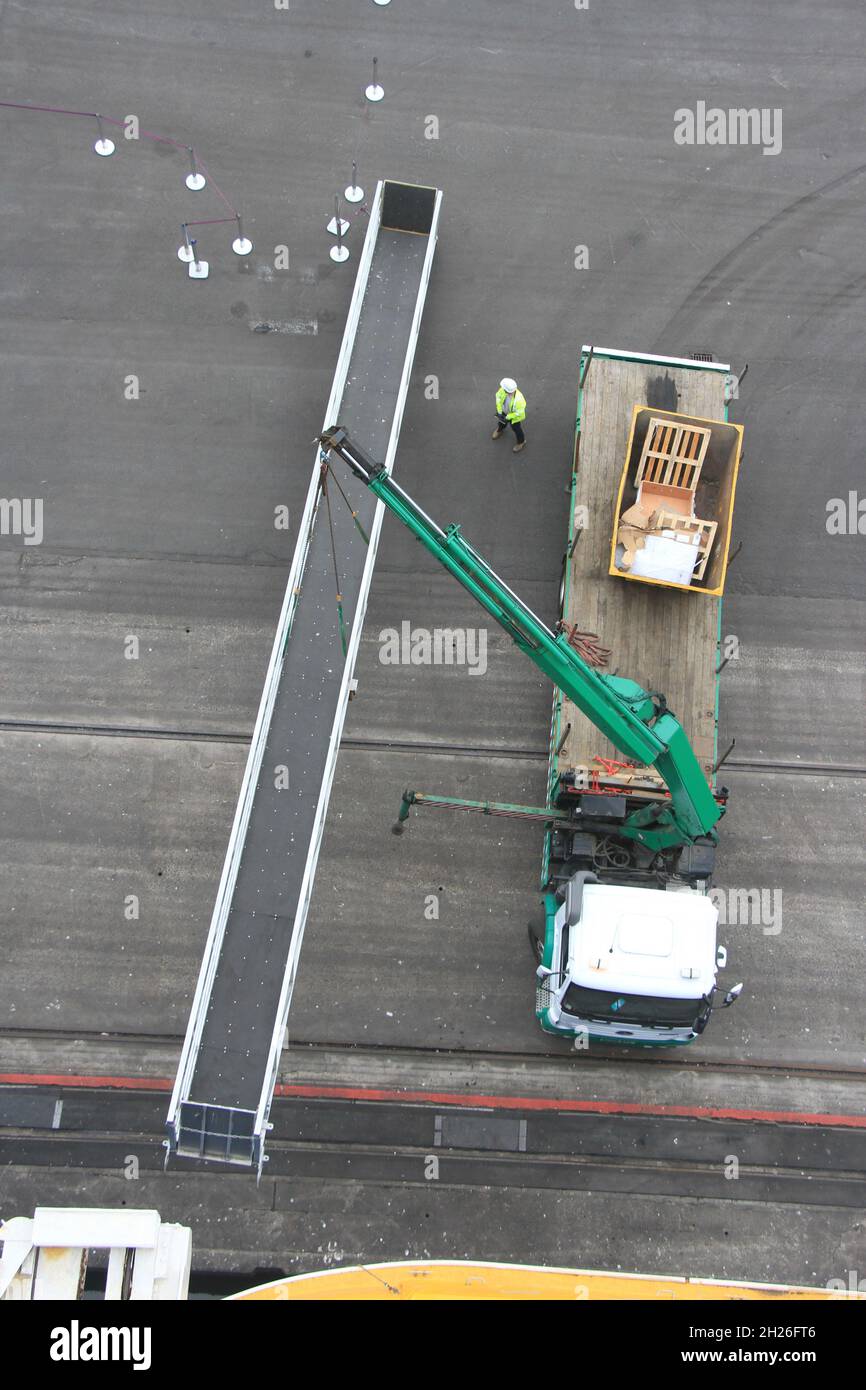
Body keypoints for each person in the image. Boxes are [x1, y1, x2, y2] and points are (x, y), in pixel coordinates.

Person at [492, 377, 527, 453]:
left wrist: (508, 417)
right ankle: (500, 430)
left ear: (508, 391)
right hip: (504, 412)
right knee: (501, 422)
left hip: (515, 417)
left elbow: (519, 413)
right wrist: (500, 412)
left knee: (516, 429)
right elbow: (498, 397)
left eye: (504, 389)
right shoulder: (503, 390)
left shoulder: (519, 400)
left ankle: (521, 442)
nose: (502, 389)